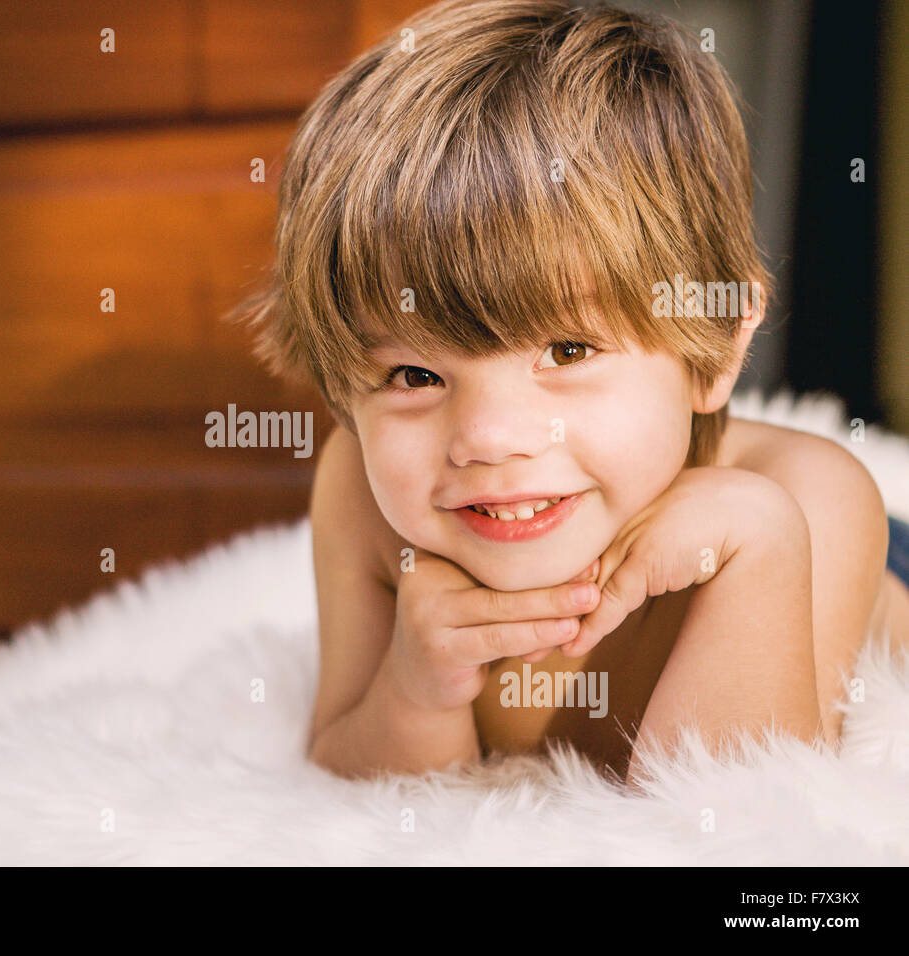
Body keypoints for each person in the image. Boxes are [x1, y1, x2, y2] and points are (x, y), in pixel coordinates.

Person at [225, 0, 909, 787]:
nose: (488, 437)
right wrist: (415, 691)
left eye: (567, 350)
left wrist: (759, 542)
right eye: (416, 376)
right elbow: (343, 775)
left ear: (718, 345)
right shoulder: (359, 492)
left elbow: (732, 828)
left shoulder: (806, 505)